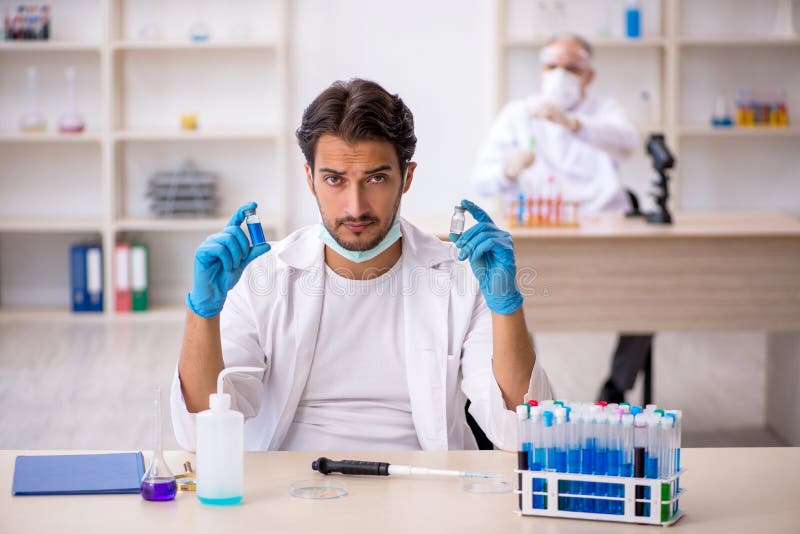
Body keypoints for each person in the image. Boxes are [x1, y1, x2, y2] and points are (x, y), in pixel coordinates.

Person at [171, 78, 553, 452]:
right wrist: (203, 314)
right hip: (292, 488)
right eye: (335, 179)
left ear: (407, 178)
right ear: (310, 179)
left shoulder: (464, 277)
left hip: (422, 487)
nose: (354, 207)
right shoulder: (260, 274)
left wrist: (507, 307)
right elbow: (200, 434)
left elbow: (522, 434)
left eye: (375, 178)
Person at [471, 33, 651, 404]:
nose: (560, 74)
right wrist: (507, 169)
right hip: (537, 235)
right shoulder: (518, 115)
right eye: (552, 66)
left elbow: (628, 141)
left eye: (571, 68)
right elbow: (481, 179)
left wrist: (573, 123)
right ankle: (526, 391)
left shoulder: (604, 111)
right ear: (540, 69)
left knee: (649, 298)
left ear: (589, 75)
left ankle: (617, 387)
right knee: (508, 298)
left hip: (603, 230)